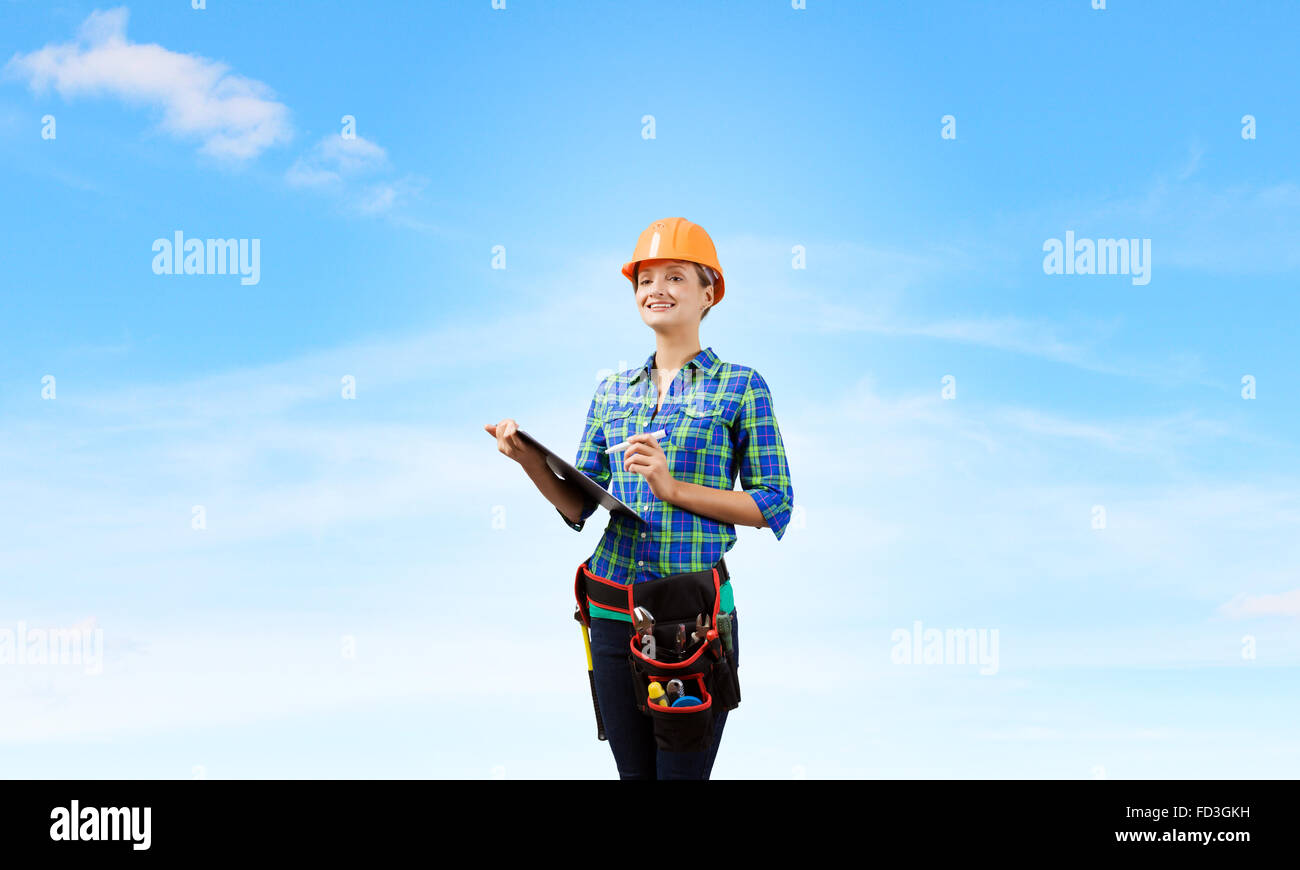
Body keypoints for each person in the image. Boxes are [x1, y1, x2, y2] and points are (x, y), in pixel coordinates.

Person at [486, 217, 793, 779]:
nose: (657, 289)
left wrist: (672, 488)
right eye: (645, 278)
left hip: (689, 615)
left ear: (709, 294)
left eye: (676, 277)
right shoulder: (611, 391)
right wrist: (528, 458)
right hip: (609, 605)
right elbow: (578, 505)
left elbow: (774, 504)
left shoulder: (742, 386)